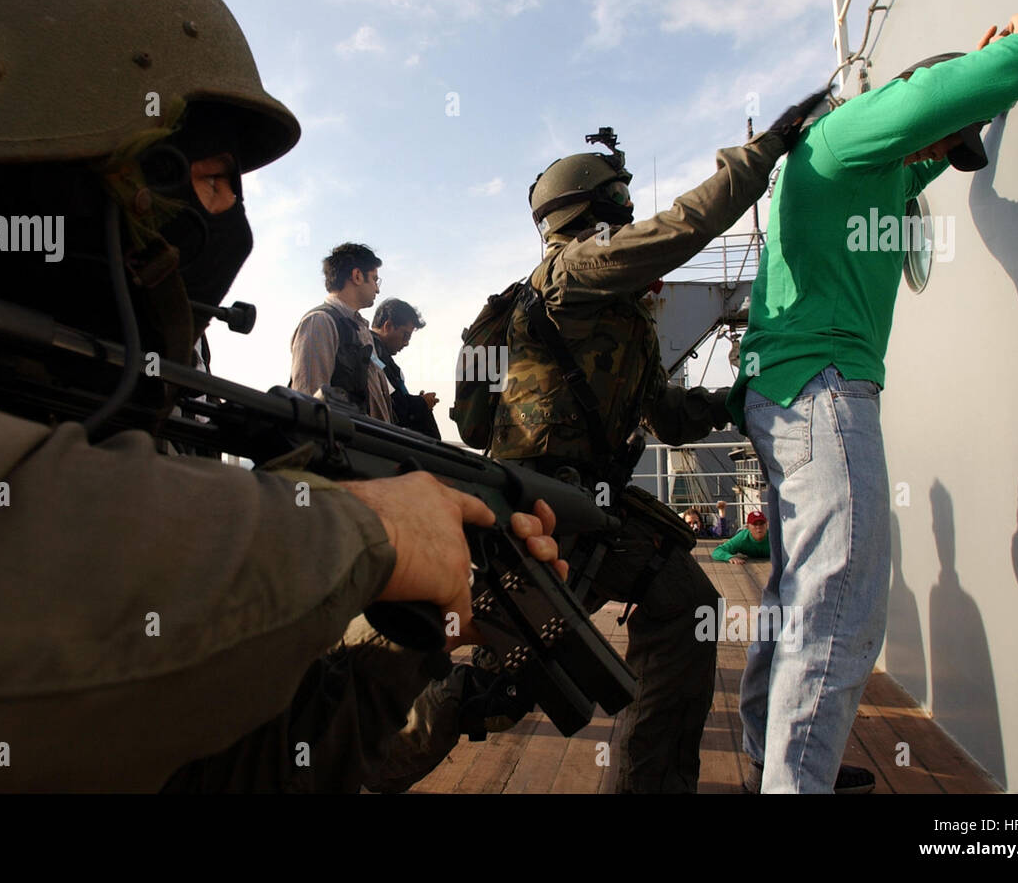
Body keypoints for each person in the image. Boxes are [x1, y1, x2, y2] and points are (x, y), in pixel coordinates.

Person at [0, 0, 564, 792]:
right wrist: (365, 533)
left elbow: (211, 764)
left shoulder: (53, 388)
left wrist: (420, 626)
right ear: (68, 171)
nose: (230, 219)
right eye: (211, 177)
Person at [368, 95, 826, 795]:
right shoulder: (569, 275)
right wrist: (762, 153)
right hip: (538, 507)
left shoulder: (620, 317)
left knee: (684, 609)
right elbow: (685, 228)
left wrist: (741, 397)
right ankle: (358, 767)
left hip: (585, 508)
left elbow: (667, 417)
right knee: (506, 679)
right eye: (620, 205)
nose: (630, 219)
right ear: (591, 212)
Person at [726, 10, 1018, 794]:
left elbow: (930, 158)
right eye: (932, 133)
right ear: (899, 106)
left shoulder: (850, 167)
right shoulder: (853, 131)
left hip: (786, 393)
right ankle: (796, 784)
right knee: (841, 606)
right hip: (823, 389)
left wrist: (972, 106)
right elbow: (962, 89)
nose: (932, 155)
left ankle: (769, 751)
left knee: (798, 593)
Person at [289, 242, 394, 422]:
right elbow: (308, 403)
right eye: (375, 279)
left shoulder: (363, 331)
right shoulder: (320, 322)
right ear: (357, 276)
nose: (377, 289)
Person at [370, 297, 441, 439]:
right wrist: (422, 403)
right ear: (388, 326)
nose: (406, 342)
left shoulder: (382, 357)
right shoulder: (371, 353)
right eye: (405, 335)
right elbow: (392, 403)